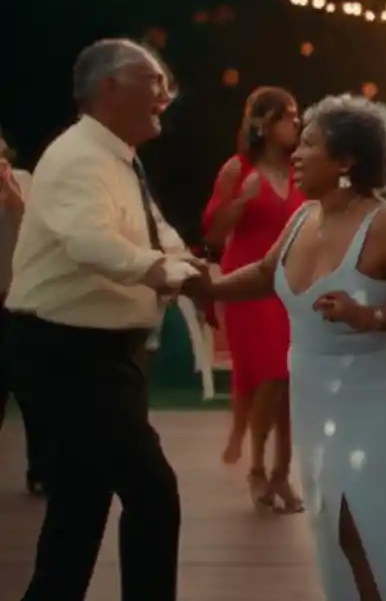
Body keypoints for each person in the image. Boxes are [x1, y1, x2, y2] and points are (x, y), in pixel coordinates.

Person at [197, 94, 386, 600]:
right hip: (318, 396)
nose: (296, 153)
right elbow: (267, 275)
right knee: (334, 527)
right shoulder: (303, 219)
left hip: (381, 397)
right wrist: (207, 287)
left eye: (310, 143)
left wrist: (372, 315)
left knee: (369, 527)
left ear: (346, 161)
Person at [6, 38, 194, 600]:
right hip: (65, 351)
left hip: (104, 353)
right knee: (152, 492)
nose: (166, 94)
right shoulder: (78, 157)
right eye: (153, 81)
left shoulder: (117, 159)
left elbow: (160, 236)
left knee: (79, 502)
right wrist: (163, 272)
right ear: (109, 88)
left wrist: (193, 269)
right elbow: (92, 243)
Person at [202, 86, 306, 511]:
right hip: (248, 282)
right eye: (287, 116)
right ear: (262, 124)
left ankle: (282, 472)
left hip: (291, 284)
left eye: (297, 116)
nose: (296, 124)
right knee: (273, 372)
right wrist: (241, 202)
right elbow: (211, 234)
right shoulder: (238, 169)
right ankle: (258, 468)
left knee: (291, 381)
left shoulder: (302, 170)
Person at [0, 131, 42, 494]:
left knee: (32, 389)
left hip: (21, 297)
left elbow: (33, 229)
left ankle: (40, 469)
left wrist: (11, 195)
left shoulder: (26, 181)